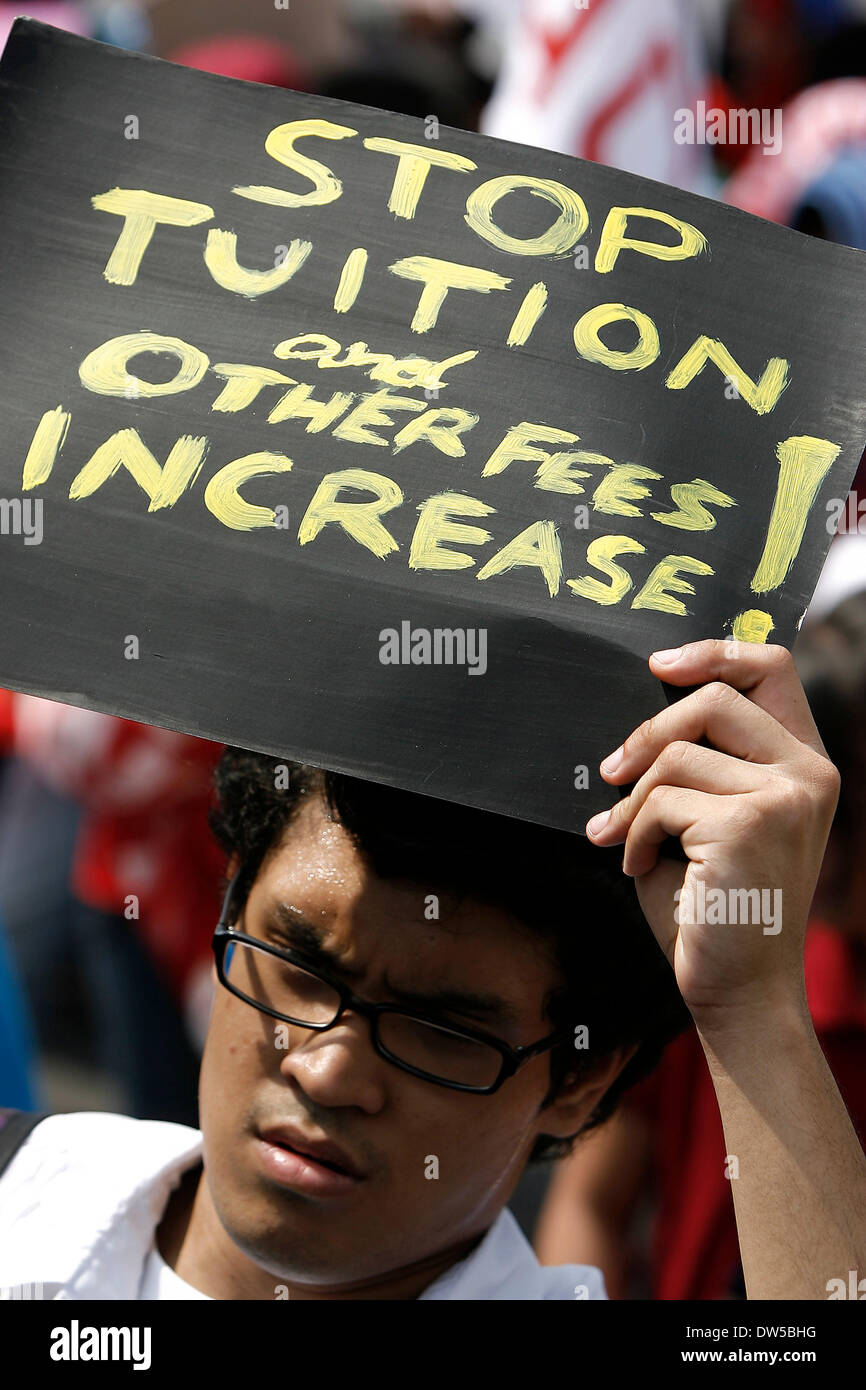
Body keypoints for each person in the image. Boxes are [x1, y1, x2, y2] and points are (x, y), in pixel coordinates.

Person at [1, 641, 864, 1300]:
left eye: (440, 1029)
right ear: (227, 906)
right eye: (297, 962)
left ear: (581, 1078)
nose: (329, 1069)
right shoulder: (21, 1196)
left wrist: (754, 1006)